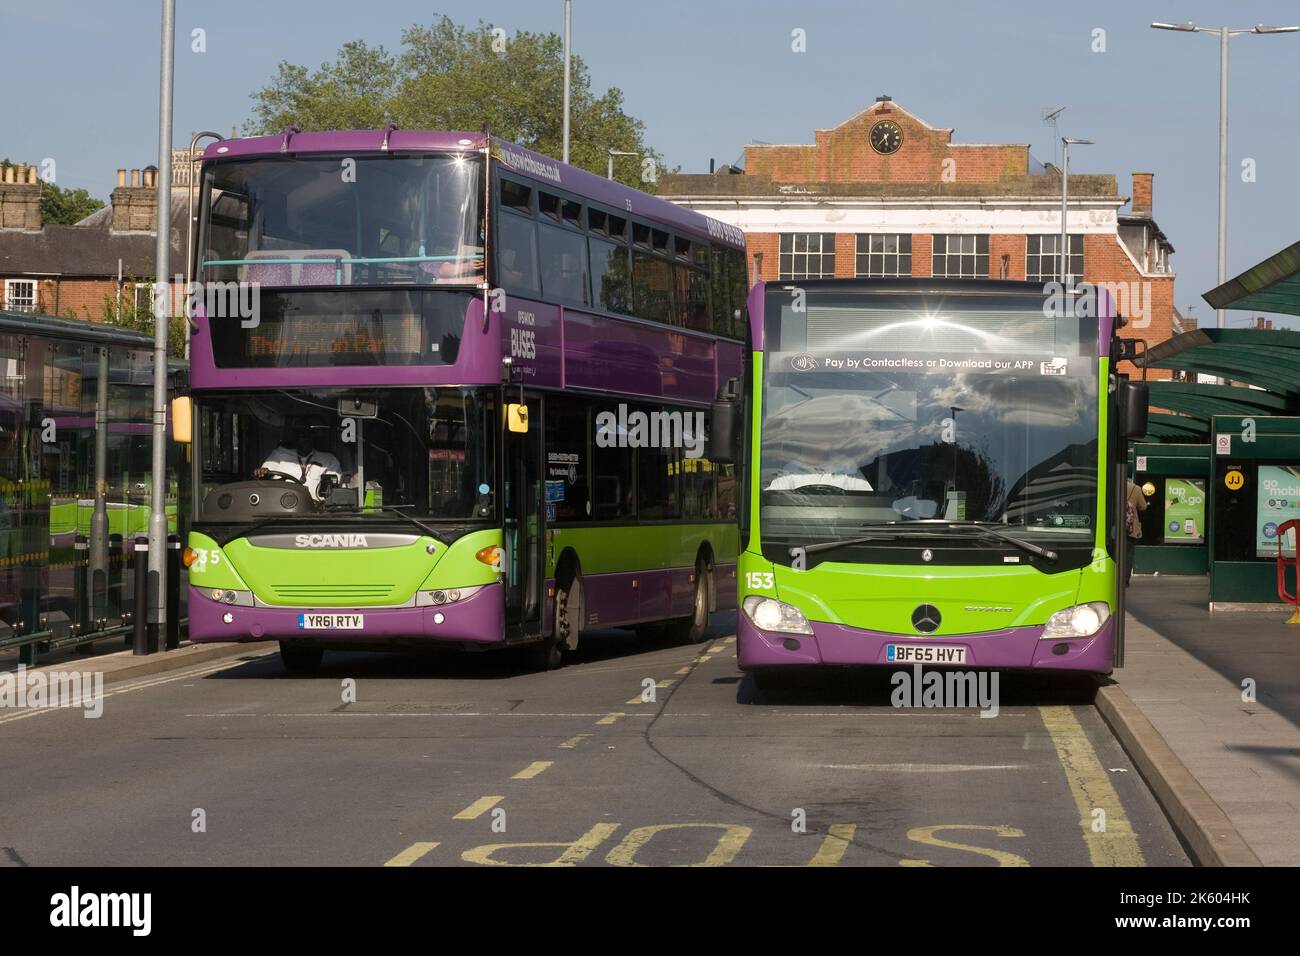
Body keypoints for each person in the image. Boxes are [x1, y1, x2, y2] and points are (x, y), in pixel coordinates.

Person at [255, 419, 343, 501]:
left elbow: (337, 491)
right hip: (280, 509)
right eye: (302, 435)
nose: (306, 439)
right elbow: (264, 473)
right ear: (295, 438)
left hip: (317, 512)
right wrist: (262, 472)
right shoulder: (279, 454)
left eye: (309, 434)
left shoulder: (329, 459)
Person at [1125, 478, 1148, 586]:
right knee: (1128, 555)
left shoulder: (1113, 485)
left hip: (1115, 527)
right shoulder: (1136, 488)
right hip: (1130, 528)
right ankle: (1125, 580)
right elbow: (1143, 506)